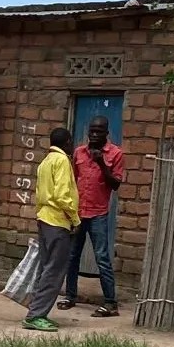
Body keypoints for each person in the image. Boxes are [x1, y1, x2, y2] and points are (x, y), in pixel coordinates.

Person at [60, 116, 124, 317]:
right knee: (72, 256)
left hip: (99, 214)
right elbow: (72, 181)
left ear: (107, 133)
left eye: (99, 131)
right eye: (92, 131)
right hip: (78, 213)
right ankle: (70, 296)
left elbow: (115, 184)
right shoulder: (79, 152)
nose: (94, 135)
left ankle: (110, 303)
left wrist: (101, 163)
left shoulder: (116, 154)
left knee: (102, 258)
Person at [24, 128, 80, 332]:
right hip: (58, 221)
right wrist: (75, 218)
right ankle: (35, 315)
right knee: (54, 271)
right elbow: (62, 195)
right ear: (67, 142)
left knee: (45, 267)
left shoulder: (45, 161)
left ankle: (37, 311)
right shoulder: (62, 160)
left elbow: (40, 193)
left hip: (45, 219)